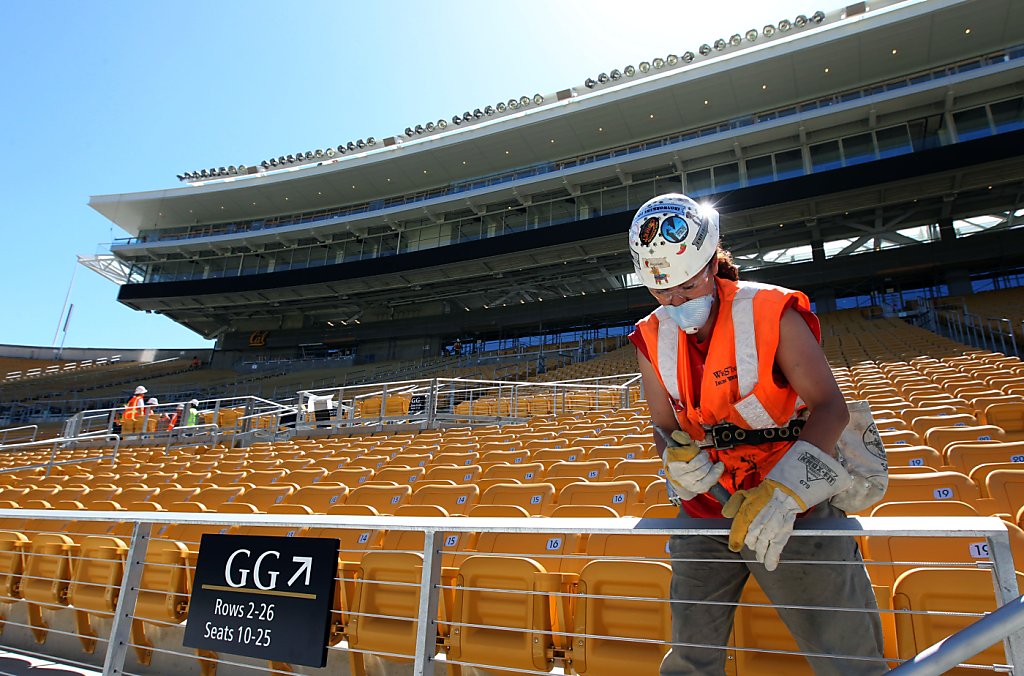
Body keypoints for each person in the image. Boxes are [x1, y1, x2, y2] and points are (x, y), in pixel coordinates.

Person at [627, 194, 885, 675]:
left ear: (712, 265)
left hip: (793, 505)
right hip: (706, 510)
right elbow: (664, 425)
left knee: (846, 658)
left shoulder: (770, 310)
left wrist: (785, 494)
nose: (676, 301)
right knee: (690, 660)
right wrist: (675, 461)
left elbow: (830, 407)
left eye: (687, 285)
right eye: (662, 292)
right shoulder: (650, 335)